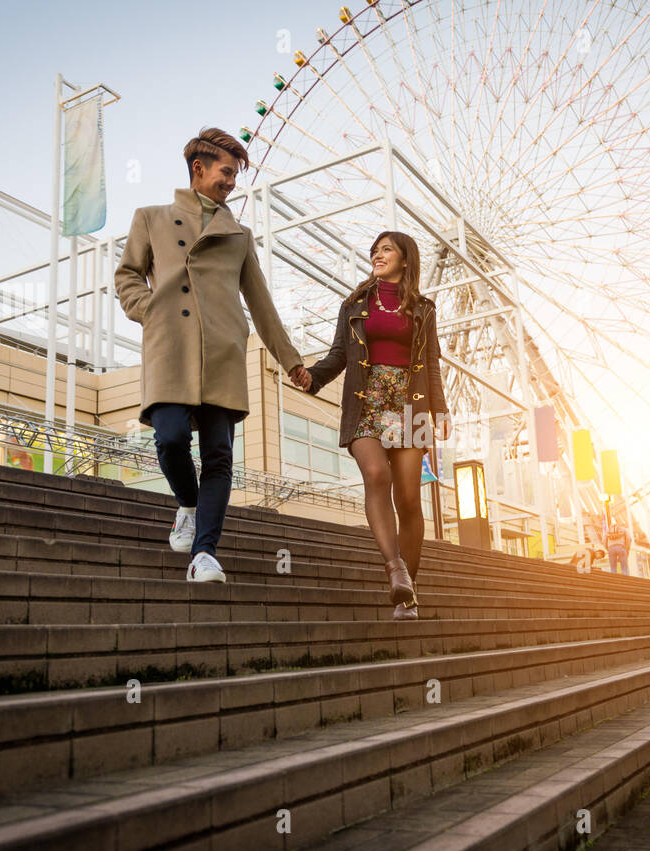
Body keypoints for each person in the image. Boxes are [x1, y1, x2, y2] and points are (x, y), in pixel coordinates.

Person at [115, 128, 310, 582]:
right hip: (170, 349)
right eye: (226, 172)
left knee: (219, 456)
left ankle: (204, 554)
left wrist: (292, 361)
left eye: (236, 175)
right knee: (169, 437)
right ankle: (187, 502)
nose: (232, 183)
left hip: (223, 352)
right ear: (198, 169)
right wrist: (152, 313)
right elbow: (126, 276)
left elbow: (261, 305)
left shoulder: (238, 236)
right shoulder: (150, 218)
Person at [298, 231, 449, 620]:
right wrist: (311, 377)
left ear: (405, 259)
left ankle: (408, 591)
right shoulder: (354, 305)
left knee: (411, 501)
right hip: (367, 400)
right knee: (376, 473)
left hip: (411, 404)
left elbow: (431, 361)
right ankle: (394, 568)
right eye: (374, 250)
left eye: (386, 249)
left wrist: (441, 410)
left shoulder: (425, 309)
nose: (377, 255)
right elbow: (337, 356)